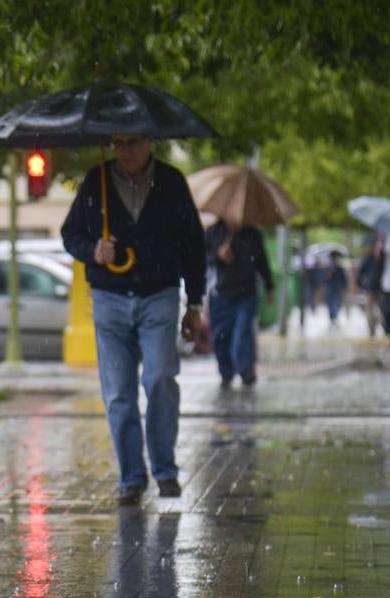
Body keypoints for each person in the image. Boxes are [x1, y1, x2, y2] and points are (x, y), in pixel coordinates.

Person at [61, 134, 205, 504]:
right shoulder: (96, 181)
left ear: (150, 142)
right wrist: (93, 250)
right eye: (119, 143)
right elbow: (70, 234)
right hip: (109, 298)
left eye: (134, 142)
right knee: (118, 394)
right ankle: (131, 477)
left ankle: (165, 470)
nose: (125, 150)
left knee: (159, 379)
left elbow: (193, 243)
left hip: (159, 295)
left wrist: (195, 302)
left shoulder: (171, 182)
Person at [204, 218, 274, 389]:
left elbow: (261, 260)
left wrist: (269, 286)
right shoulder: (212, 233)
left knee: (242, 334)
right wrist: (217, 256)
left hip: (246, 294)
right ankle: (226, 373)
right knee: (221, 337)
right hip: (219, 295)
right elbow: (201, 260)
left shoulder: (252, 234)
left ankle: (246, 371)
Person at [324, 250, 348, 327]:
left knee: (337, 303)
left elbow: (344, 278)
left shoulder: (339, 268)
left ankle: (335, 317)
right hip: (330, 288)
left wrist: (344, 286)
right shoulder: (328, 268)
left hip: (338, 288)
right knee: (330, 304)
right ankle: (332, 318)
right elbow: (324, 279)